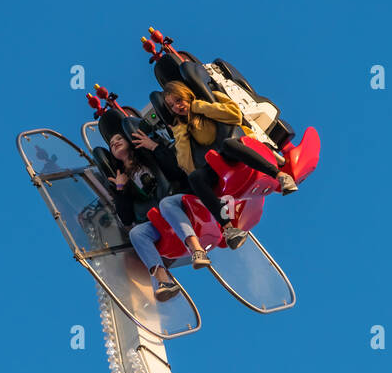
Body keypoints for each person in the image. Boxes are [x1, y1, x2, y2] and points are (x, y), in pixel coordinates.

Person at [162, 80, 297, 249]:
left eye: (179, 100)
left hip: (239, 146)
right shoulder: (182, 127)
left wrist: (199, 107)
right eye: (172, 105)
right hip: (218, 164)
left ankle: (281, 176)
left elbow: (235, 115)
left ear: (186, 95)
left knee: (228, 144)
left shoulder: (211, 97)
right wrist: (180, 132)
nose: (177, 106)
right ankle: (229, 229)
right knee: (195, 178)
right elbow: (187, 166)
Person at [105, 128, 189, 300]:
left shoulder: (147, 158)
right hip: (161, 220)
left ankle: (197, 251)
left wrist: (154, 147)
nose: (115, 143)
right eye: (111, 144)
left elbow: (175, 170)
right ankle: (164, 282)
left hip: (178, 205)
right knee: (137, 233)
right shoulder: (121, 179)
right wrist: (120, 188)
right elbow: (126, 218)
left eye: (119, 138)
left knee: (166, 204)